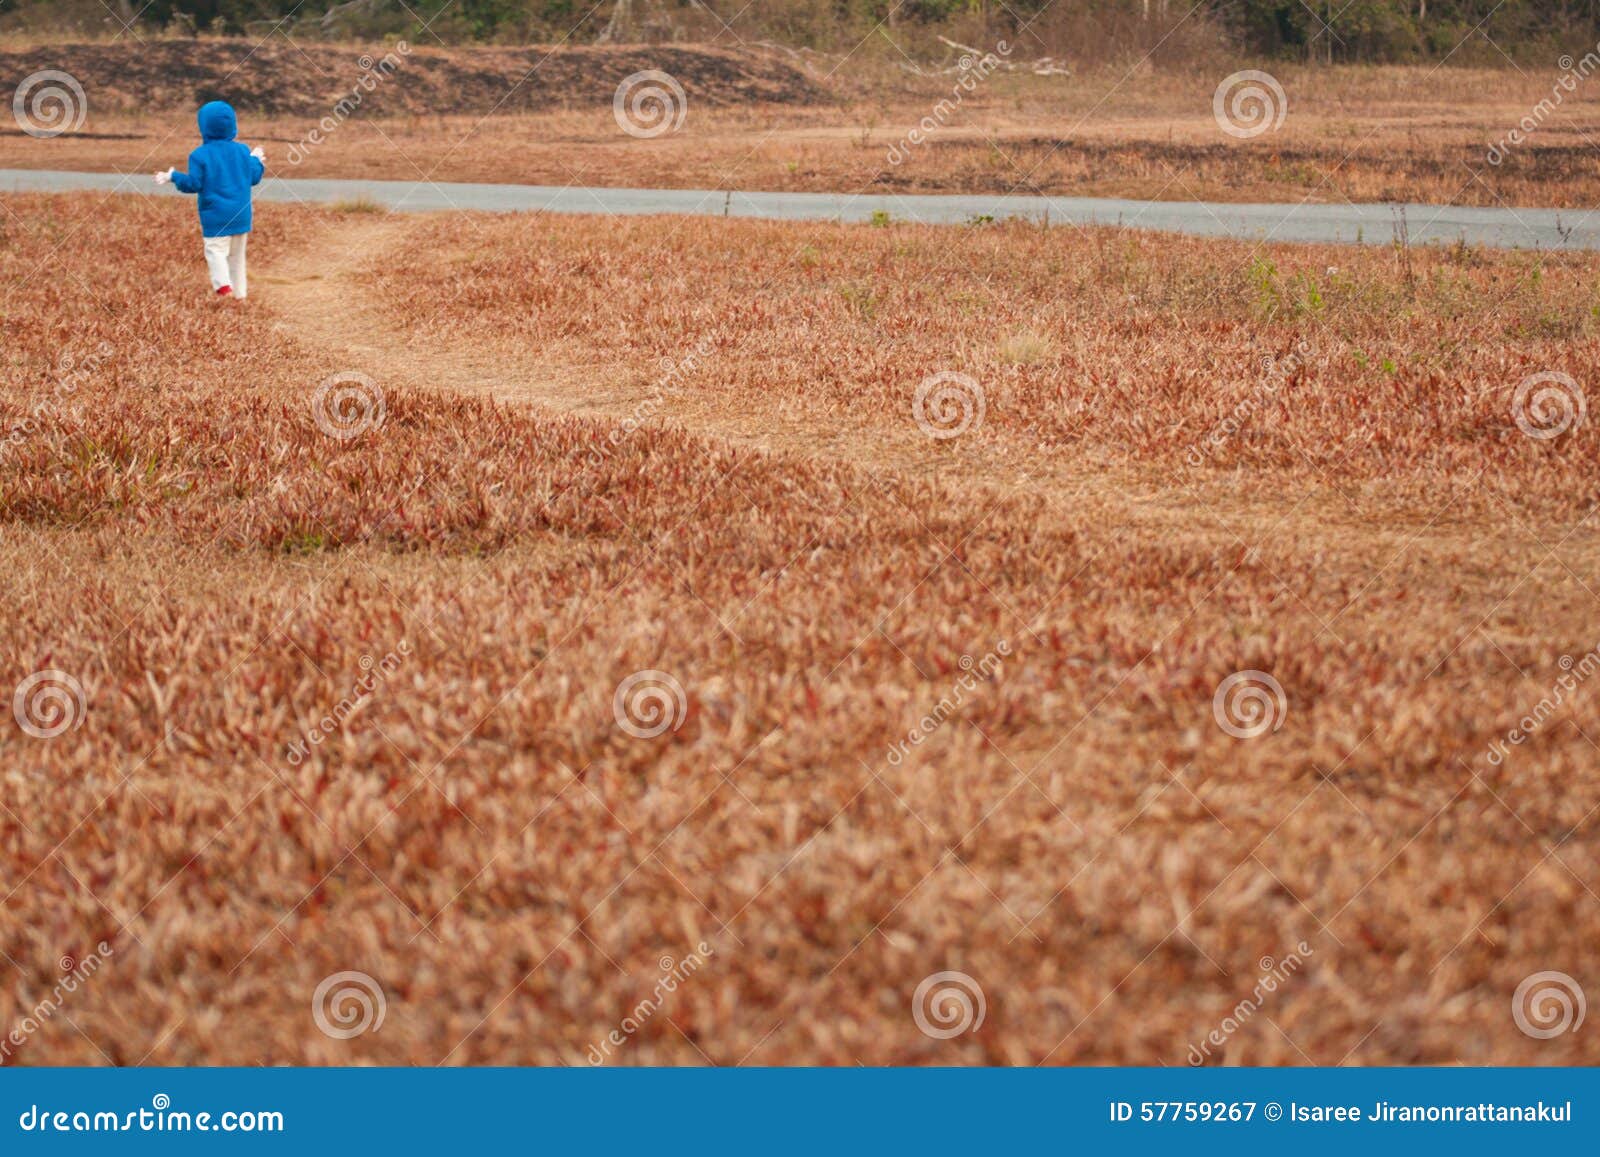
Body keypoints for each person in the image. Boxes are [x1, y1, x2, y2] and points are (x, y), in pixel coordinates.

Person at [155, 101, 265, 299]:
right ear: (233, 125)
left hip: (215, 219)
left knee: (215, 252)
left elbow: (194, 184)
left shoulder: (199, 155)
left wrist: (174, 176)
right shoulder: (242, 151)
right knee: (237, 259)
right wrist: (255, 159)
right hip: (241, 217)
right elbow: (254, 177)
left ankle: (223, 288)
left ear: (203, 127)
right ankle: (240, 296)